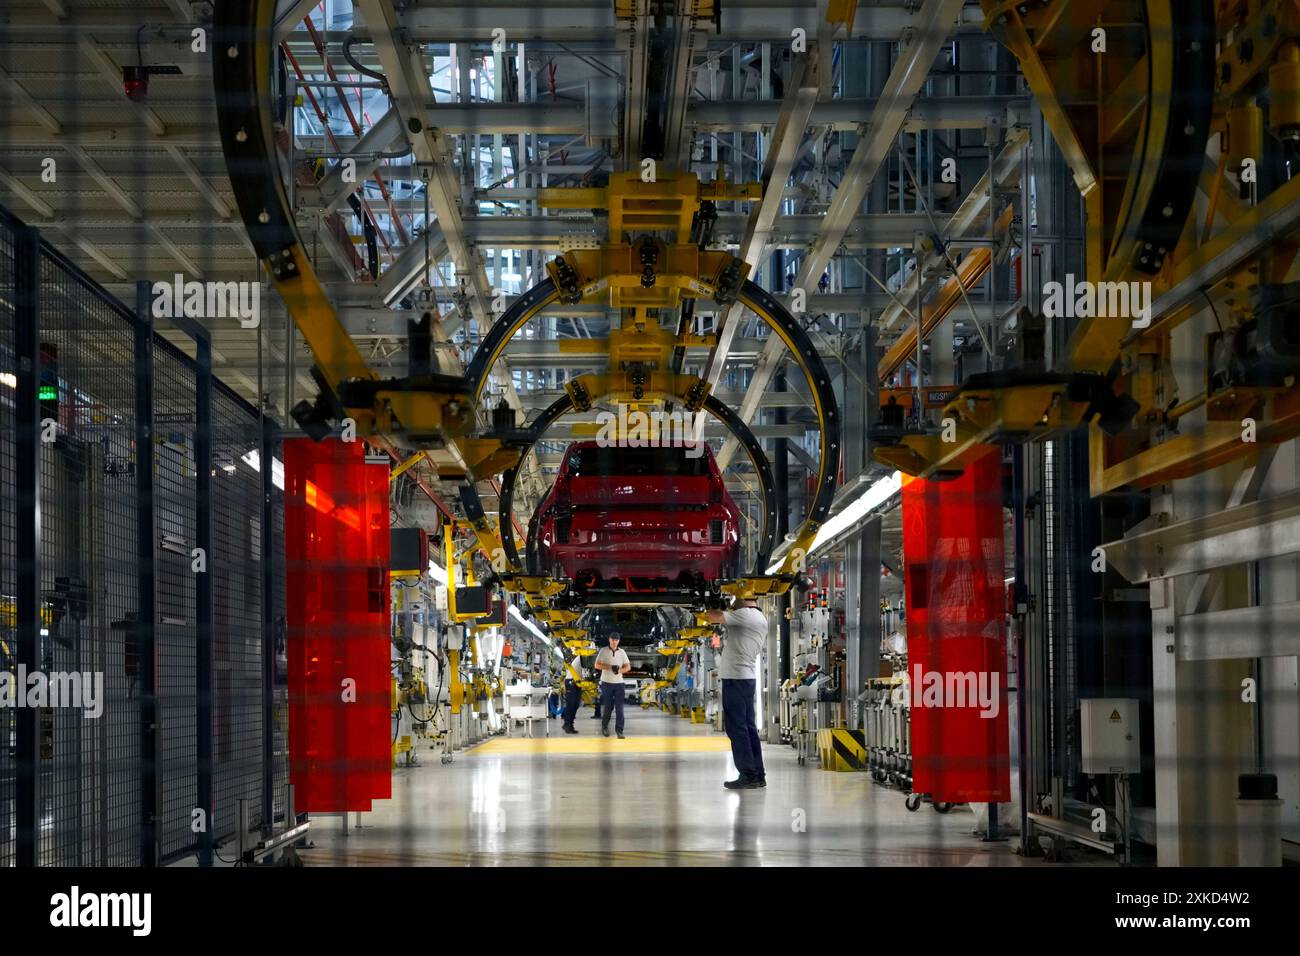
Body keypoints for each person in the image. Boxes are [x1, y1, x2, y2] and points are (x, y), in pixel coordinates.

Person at [705, 596, 767, 789]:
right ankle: (757, 774)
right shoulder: (757, 617)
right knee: (747, 727)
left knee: (737, 728)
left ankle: (748, 774)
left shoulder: (746, 615)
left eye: (736, 598)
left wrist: (704, 605)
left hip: (737, 679)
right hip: (744, 679)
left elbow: (712, 616)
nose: (734, 603)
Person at [594, 633, 631, 738]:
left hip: (619, 684)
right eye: (613, 640)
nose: (614, 642)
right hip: (606, 683)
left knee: (620, 709)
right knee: (608, 707)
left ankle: (619, 731)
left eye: (616, 640)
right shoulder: (603, 651)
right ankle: (605, 727)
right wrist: (610, 667)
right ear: (609, 640)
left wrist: (619, 670)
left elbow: (628, 667)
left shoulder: (622, 652)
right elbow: (596, 665)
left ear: (619, 641)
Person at [561, 650, 586, 734]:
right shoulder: (583, 656)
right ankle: (567, 724)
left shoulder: (585, 657)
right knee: (571, 704)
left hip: (577, 681)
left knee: (575, 705)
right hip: (571, 681)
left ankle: (570, 725)